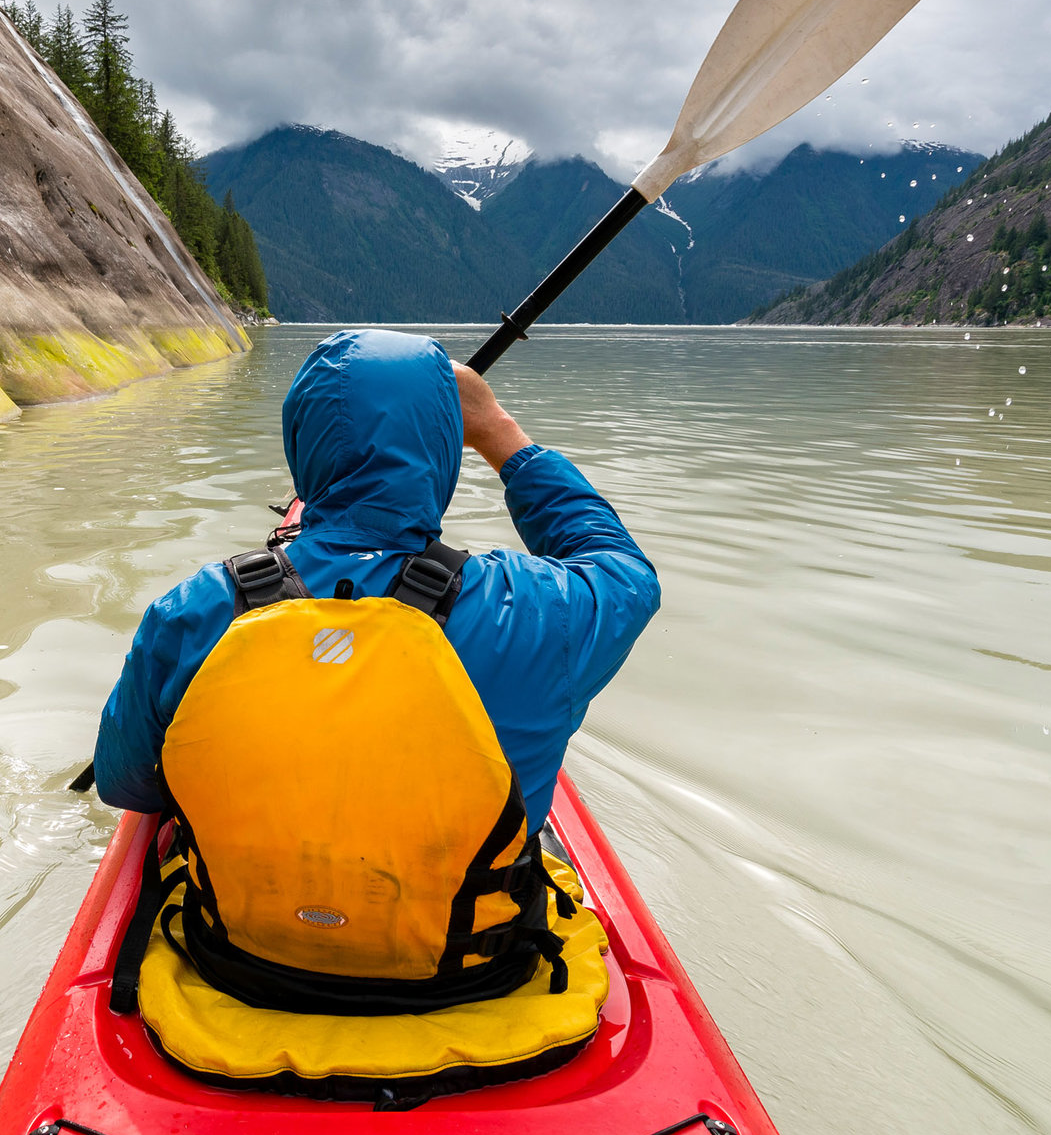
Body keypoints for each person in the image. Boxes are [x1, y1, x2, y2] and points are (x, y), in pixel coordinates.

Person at [94, 328, 658, 1021]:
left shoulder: (195, 610)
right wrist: (498, 432)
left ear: (301, 442)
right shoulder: (540, 612)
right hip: (474, 975)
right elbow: (624, 571)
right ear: (446, 453)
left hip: (238, 961)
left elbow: (128, 784)